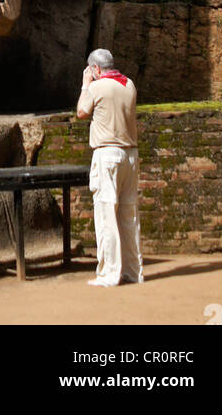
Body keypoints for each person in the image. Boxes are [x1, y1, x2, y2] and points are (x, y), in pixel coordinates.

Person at [77, 48, 144, 286]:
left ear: (95, 69)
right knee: (128, 214)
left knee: (106, 215)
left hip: (108, 155)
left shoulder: (97, 87)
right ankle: (133, 272)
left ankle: (109, 274)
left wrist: (86, 84)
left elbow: (81, 112)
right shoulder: (129, 84)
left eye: (91, 71)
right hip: (130, 155)